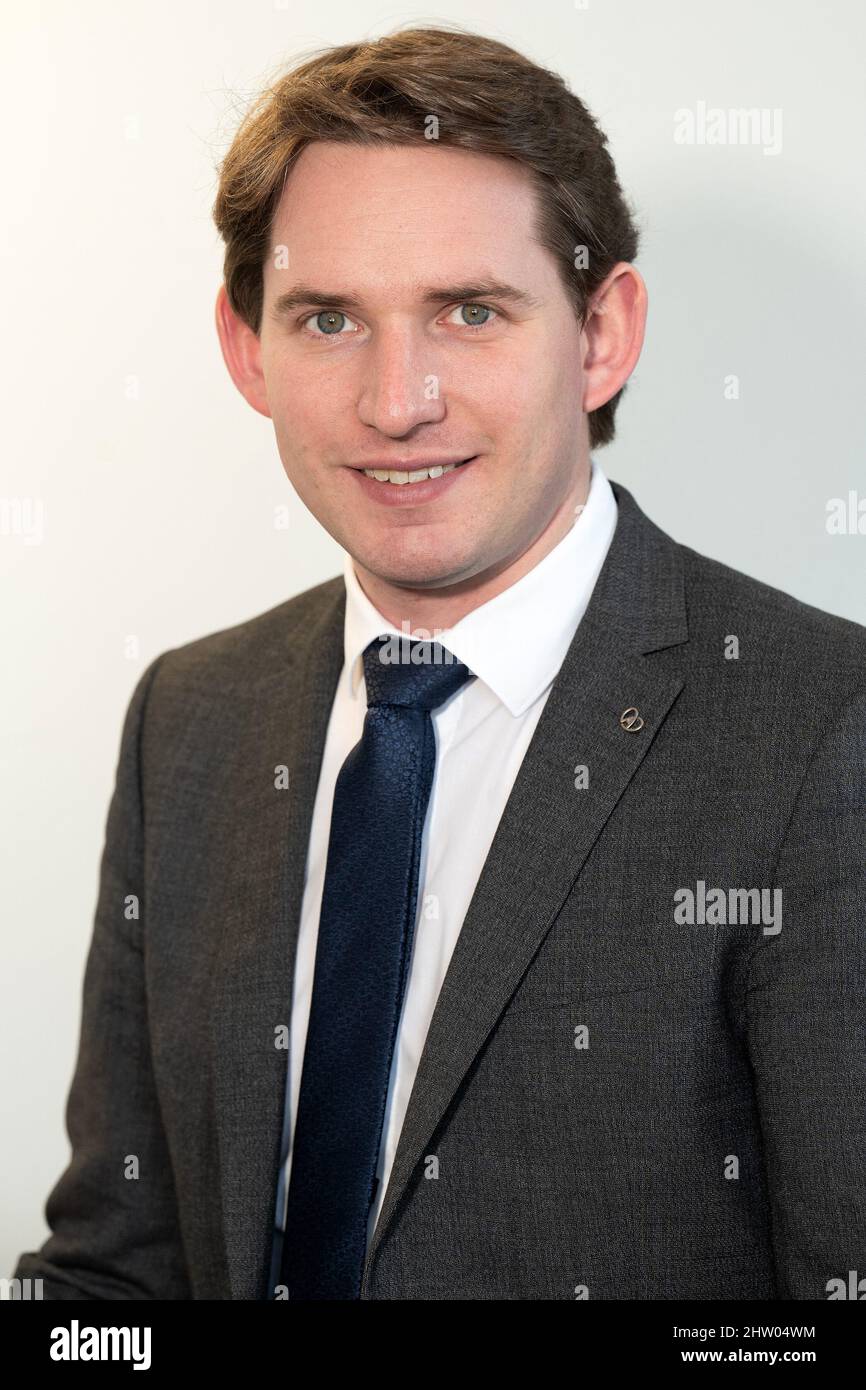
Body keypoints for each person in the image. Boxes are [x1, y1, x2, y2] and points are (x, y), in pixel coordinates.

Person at [13, 25, 866, 1301]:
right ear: (248, 349)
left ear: (599, 335)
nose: (395, 399)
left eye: (468, 311)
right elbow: (116, 1286)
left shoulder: (819, 729)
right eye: (327, 317)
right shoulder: (188, 718)